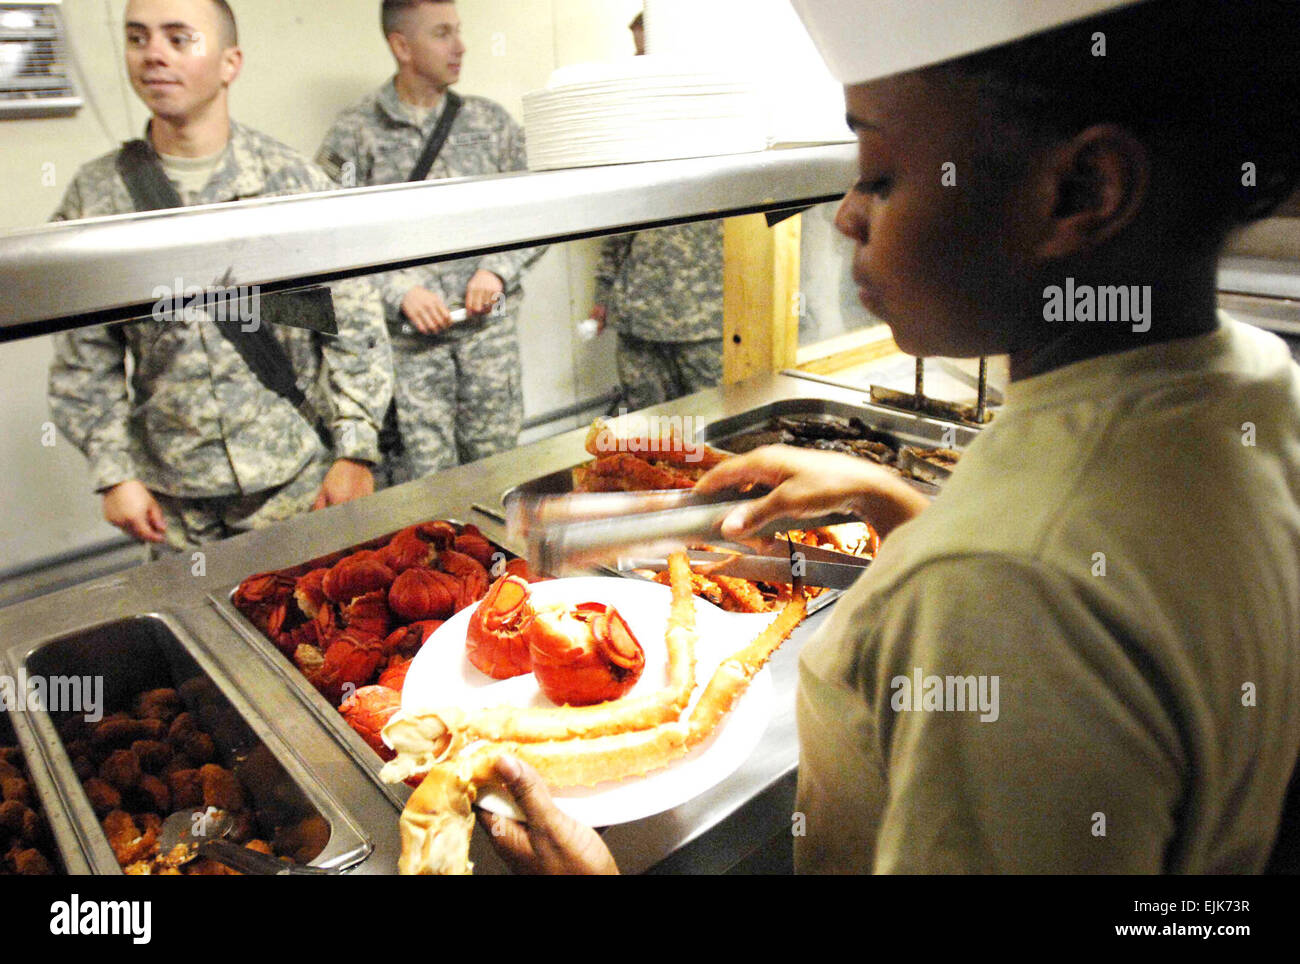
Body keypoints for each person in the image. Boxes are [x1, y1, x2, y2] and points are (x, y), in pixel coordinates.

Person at [477, 0, 1300, 874]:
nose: (844, 217)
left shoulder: (1000, 594)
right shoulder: (1255, 379)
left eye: (877, 174)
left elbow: (1030, 594)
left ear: (1081, 191)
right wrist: (898, 505)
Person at [47, 0, 392, 554]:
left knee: (302, 627)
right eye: (138, 38)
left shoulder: (291, 183)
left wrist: (356, 450)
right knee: (199, 635)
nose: (154, 54)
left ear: (230, 62)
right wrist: (114, 473)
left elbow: (353, 322)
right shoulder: (99, 198)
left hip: (297, 480)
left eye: (179, 38)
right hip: (174, 502)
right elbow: (87, 354)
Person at [317, 0, 542, 485]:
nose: (460, 46)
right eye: (442, 33)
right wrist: (399, 292)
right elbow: (332, 240)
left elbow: (542, 209)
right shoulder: (356, 134)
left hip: (488, 344)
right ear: (402, 46)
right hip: (411, 355)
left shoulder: (490, 124)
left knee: (499, 477)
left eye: (458, 31)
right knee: (425, 492)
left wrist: (497, 269)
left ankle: (504, 564)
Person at [588, 11, 725, 412]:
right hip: (639, 323)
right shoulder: (635, 129)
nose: (638, 65)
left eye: (647, 53)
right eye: (637, 53)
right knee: (648, 439)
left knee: (713, 434)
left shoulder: (725, 119)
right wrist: (602, 294)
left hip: (708, 325)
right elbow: (621, 221)